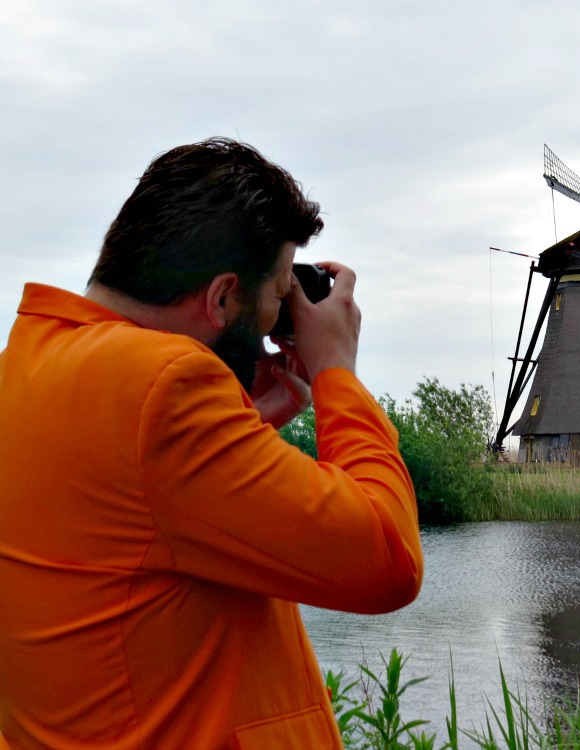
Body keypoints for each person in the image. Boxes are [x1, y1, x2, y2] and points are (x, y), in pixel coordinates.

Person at [0, 138, 423, 749]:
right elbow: (387, 560)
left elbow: (129, 522)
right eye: (280, 295)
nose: (283, 318)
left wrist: (250, 423)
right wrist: (336, 371)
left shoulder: (25, 370)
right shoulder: (164, 383)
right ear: (223, 297)